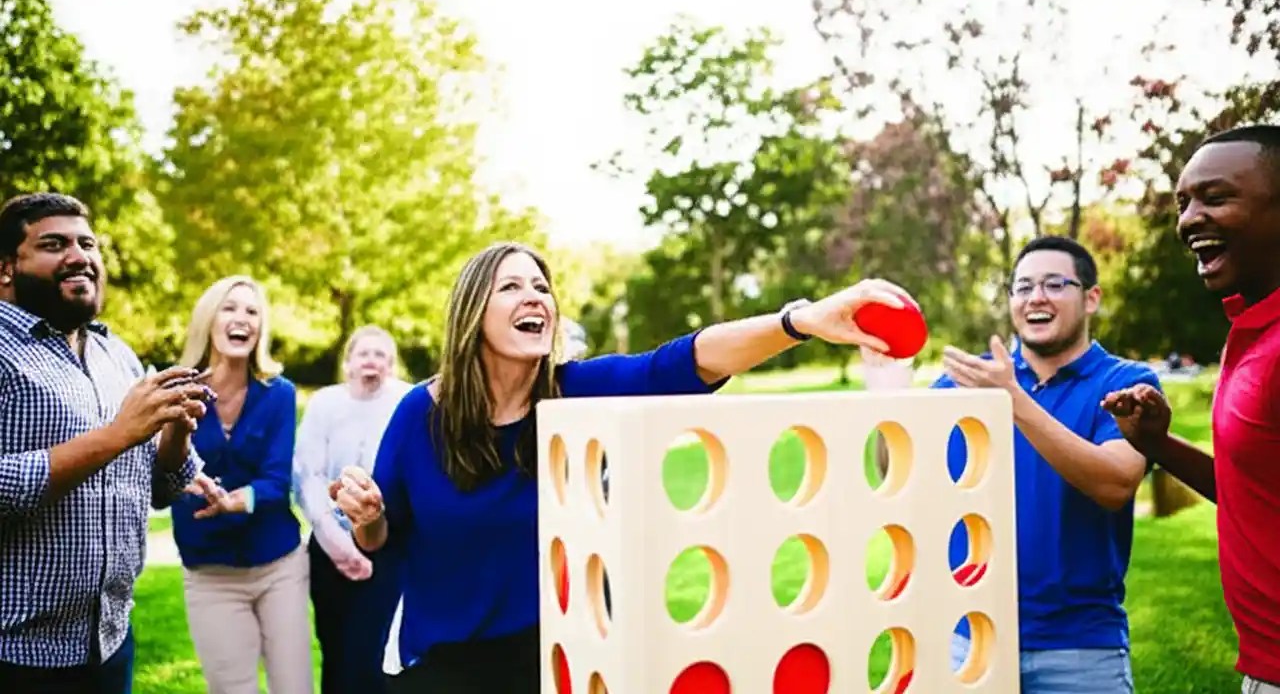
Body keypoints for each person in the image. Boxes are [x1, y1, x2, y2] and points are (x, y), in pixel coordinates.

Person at [330, 241, 915, 692]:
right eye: (511, 286)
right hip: (445, 665)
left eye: (542, 286)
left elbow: (684, 364)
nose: (535, 296)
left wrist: (800, 322)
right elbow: (382, 538)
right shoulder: (419, 415)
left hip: (560, 656)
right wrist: (370, 516)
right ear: (472, 310)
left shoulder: (574, 392)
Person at [0, 192, 221, 693]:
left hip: (108, 643)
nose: (79, 256)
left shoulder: (114, 354)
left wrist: (175, 434)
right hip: (16, 657)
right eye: (54, 244)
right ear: (6, 269)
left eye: (88, 243)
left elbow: (158, 488)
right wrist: (120, 432)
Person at [931, 235, 1160, 693]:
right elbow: (897, 469)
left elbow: (1115, 484)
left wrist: (1012, 399)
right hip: (970, 637)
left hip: (1079, 648)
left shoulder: (1126, 382)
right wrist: (886, 385)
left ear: (1091, 297)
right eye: (1023, 287)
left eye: (1056, 284)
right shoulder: (966, 383)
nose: (1036, 297)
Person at [1103, 124, 1280, 693]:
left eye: (1216, 197)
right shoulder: (1250, 330)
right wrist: (1157, 445)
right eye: (1183, 203)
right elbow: (1252, 488)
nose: (1187, 220)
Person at [168, 275, 313, 694]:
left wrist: (237, 500)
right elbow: (161, 471)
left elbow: (276, 479)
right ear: (209, 320)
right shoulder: (177, 390)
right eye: (230, 308)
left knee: (294, 686)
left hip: (277, 565)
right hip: (209, 571)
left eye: (252, 311)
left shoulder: (279, 393)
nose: (242, 319)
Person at [295, 324, 414, 694]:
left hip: (388, 548)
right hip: (329, 544)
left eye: (381, 355)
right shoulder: (325, 403)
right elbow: (306, 475)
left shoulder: (406, 402)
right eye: (364, 353)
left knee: (372, 653)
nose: (372, 361)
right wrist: (336, 542)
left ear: (392, 366)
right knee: (335, 649)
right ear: (347, 363)